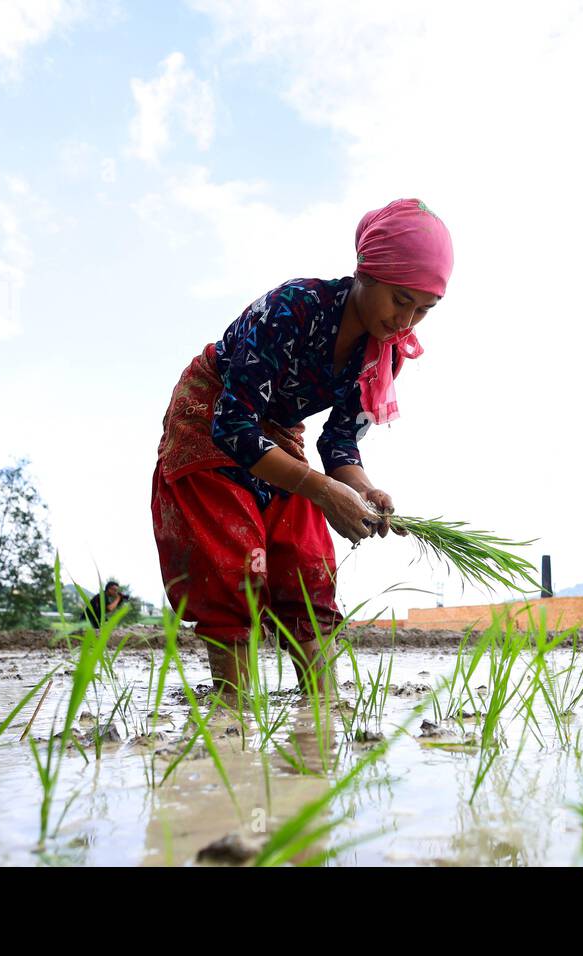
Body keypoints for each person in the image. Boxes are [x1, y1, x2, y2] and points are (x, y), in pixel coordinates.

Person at [151, 198, 453, 705]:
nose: (407, 320)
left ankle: (322, 707)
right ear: (367, 271)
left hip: (278, 433)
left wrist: (360, 489)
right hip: (213, 416)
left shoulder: (384, 353)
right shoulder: (292, 308)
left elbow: (338, 442)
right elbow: (234, 424)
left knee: (307, 561)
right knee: (234, 562)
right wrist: (320, 489)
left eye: (423, 309)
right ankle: (232, 712)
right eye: (400, 299)